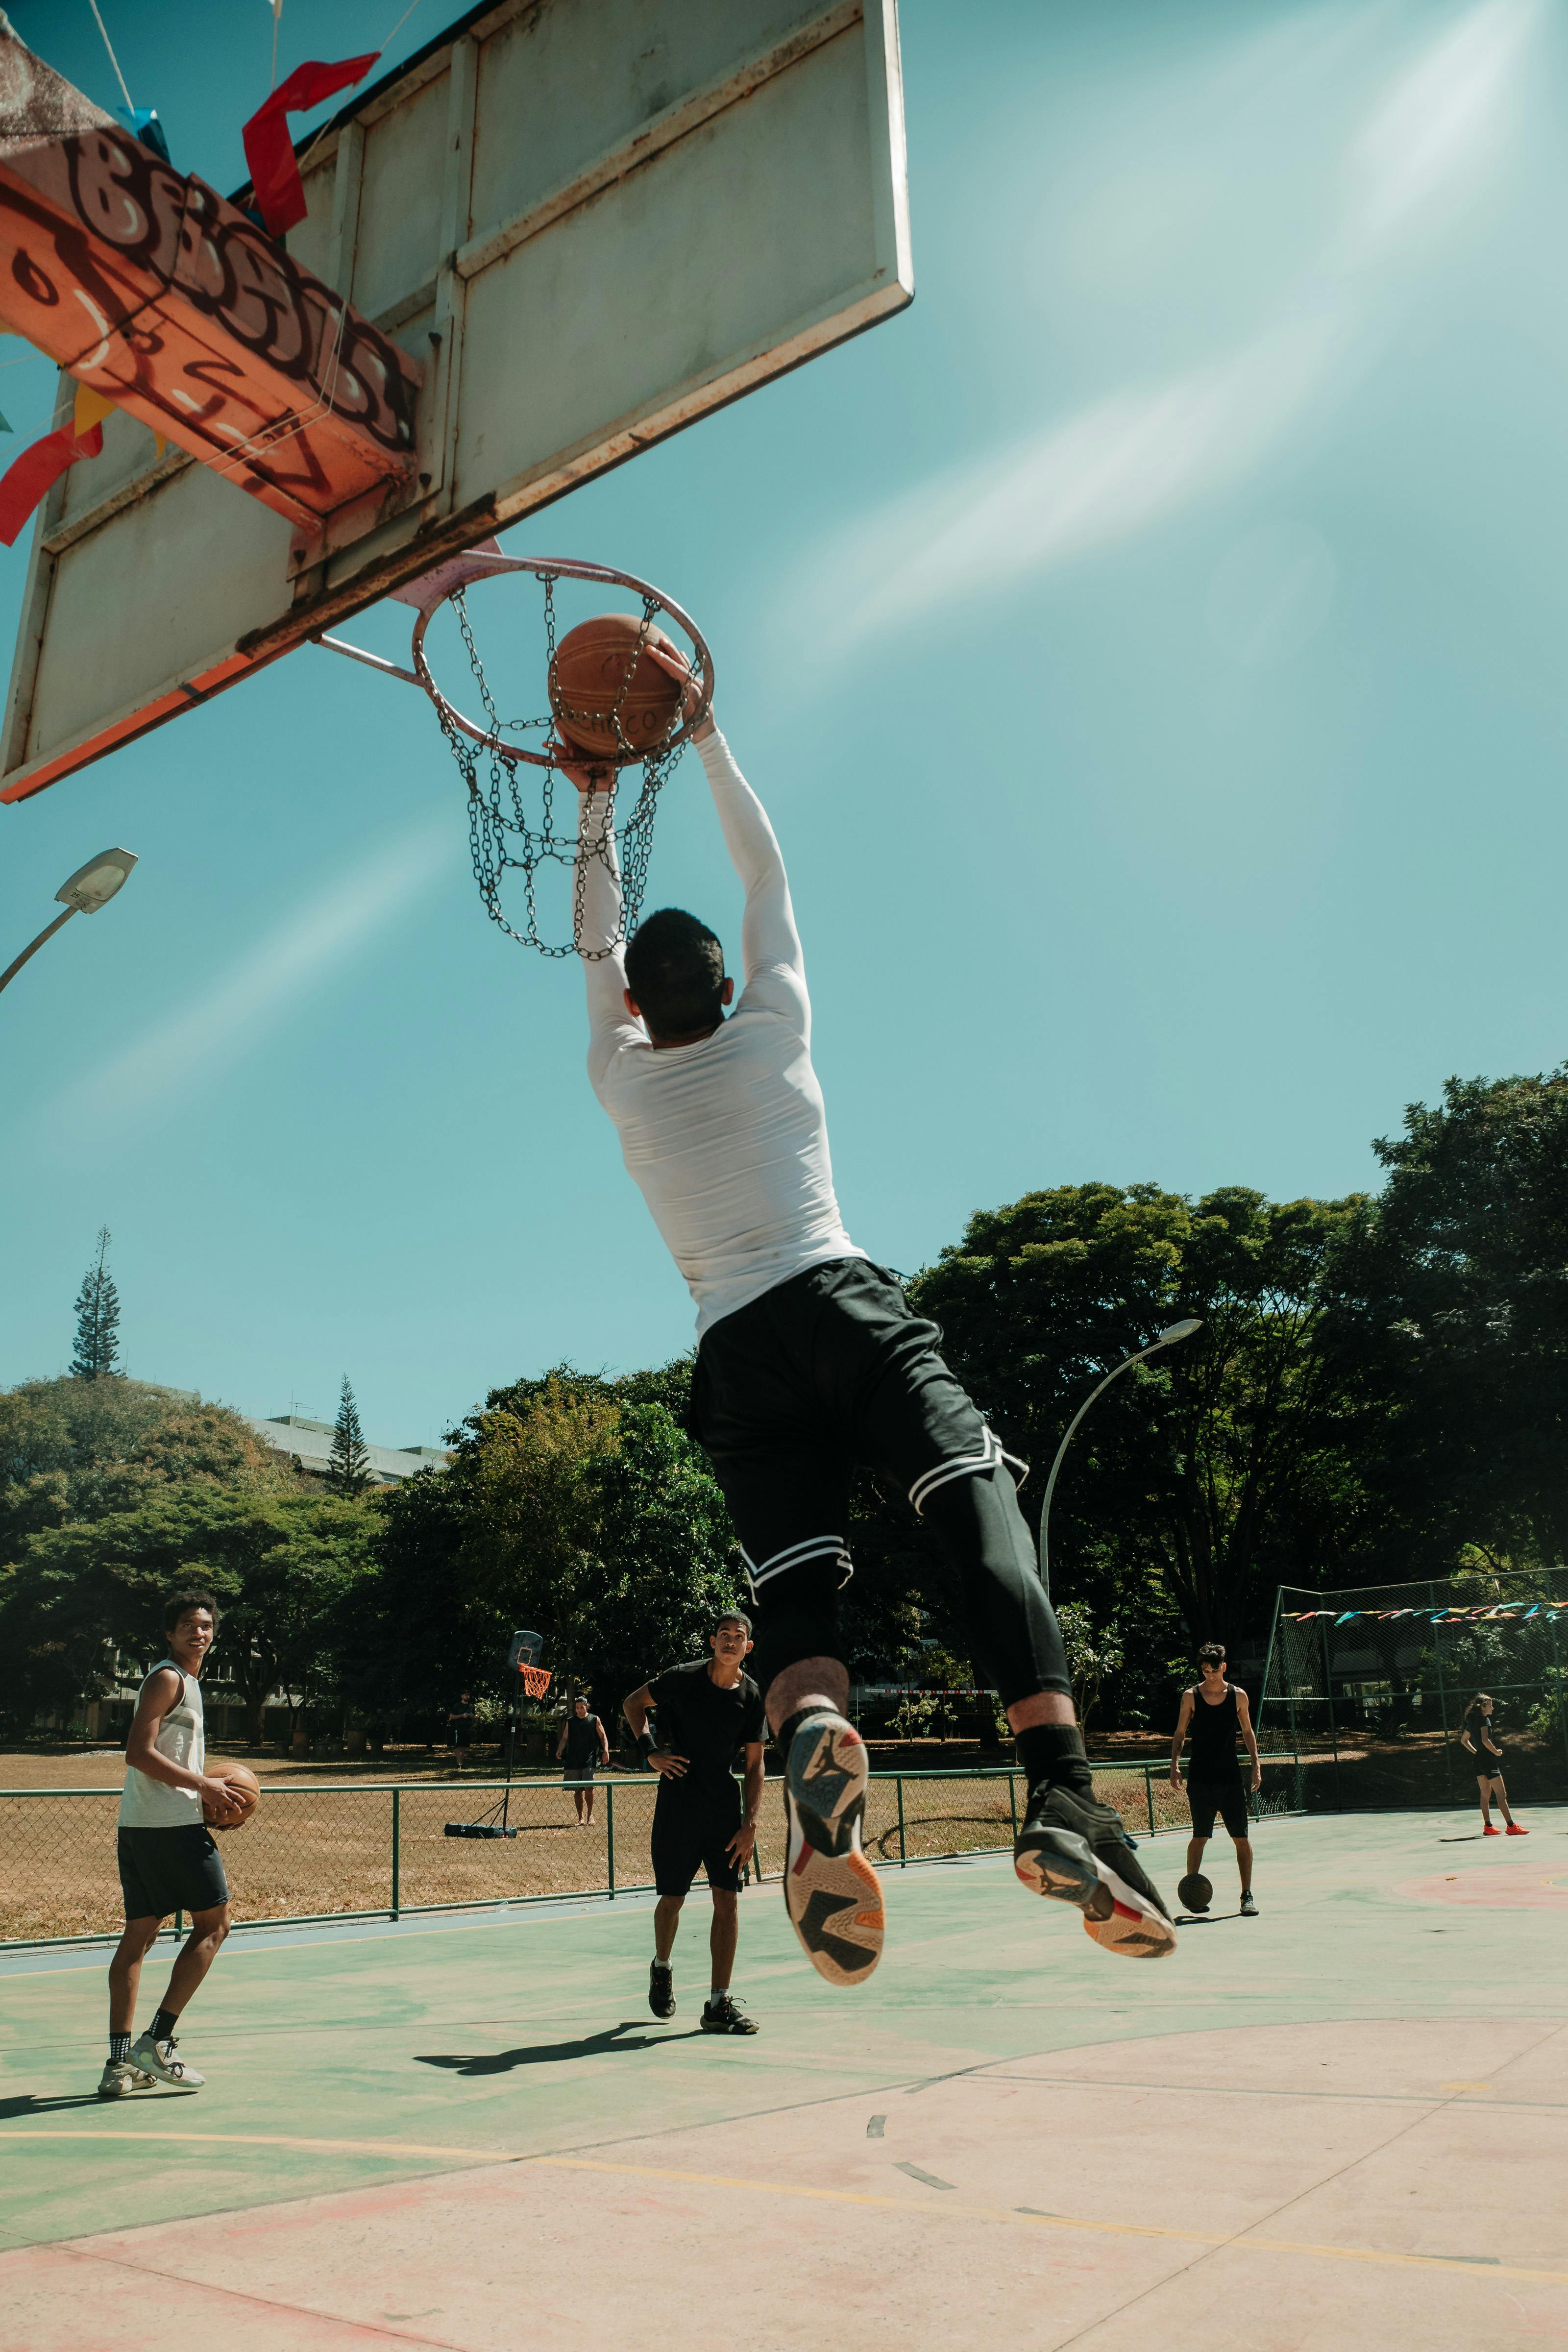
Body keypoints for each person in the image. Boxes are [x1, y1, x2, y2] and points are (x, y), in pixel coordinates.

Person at [568, 668, 1175, 1984]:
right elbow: (765, 867)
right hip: (837, 1304)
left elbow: (591, 955)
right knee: (977, 1506)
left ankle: (816, 1729)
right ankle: (1061, 1786)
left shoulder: (619, 1081)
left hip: (732, 1359)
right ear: (723, 981)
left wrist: (593, 809)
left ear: (637, 1001)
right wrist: (711, 734)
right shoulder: (773, 1023)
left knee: (799, 1596)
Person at [99, 1590, 250, 2098]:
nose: (199, 1633)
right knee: (216, 1925)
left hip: (140, 1825)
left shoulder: (190, 1681)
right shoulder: (168, 1677)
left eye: (206, 1626)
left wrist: (206, 1791)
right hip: (169, 1825)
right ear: (170, 1632)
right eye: (188, 1624)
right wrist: (204, 1786)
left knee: (139, 1937)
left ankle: (119, 2066)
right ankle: (157, 2040)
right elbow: (137, 1753)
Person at [622, 1613, 767, 2034]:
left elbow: (756, 1765)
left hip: (723, 1811)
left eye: (739, 1638)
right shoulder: (682, 1678)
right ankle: (662, 1966)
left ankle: (719, 2006)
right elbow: (633, 1704)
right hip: (679, 1804)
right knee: (673, 1899)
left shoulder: (753, 1696)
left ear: (748, 1648)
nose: (731, 1643)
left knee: (728, 1901)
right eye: (724, 1636)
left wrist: (750, 1823)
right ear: (712, 1641)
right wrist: (650, 1752)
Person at [1169, 1643, 1262, 1916]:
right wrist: (1174, 1765)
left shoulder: (1239, 1696)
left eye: (1214, 1670)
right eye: (1205, 1670)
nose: (1210, 1675)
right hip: (1200, 1779)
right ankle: (1191, 1893)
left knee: (1241, 1838)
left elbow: (1248, 1732)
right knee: (1199, 1837)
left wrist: (1256, 1764)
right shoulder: (1191, 1696)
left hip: (1230, 1778)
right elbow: (1179, 1732)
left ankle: (1246, 1895)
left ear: (1224, 1667)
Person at [1461, 1693, 1526, 1836]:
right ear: (1483, 1707)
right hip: (1488, 1761)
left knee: (1485, 1794)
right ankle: (1511, 1826)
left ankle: (1488, 1827)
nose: (1492, 1708)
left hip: (1478, 1761)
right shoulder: (1485, 1720)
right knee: (1501, 1794)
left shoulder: (1472, 1721)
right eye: (1490, 1705)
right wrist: (1495, 1752)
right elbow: (1485, 1740)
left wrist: (1477, 1753)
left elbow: (1464, 1740)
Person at [556, 1694, 610, 1823]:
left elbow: (603, 1737)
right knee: (577, 1790)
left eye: (582, 1707)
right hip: (574, 1759)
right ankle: (580, 1818)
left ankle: (590, 1816)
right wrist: (560, 1749)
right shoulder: (571, 1721)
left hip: (589, 1758)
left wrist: (606, 1751)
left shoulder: (594, 1720)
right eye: (577, 1708)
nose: (580, 1710)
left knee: (589, 1788)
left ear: (587, 1707)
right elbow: (565, 1738)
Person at [446, 1693, 474, 1773]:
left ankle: (462, 1764)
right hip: (458, 1728)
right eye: (465, 1695)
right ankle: (458, 1765)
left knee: (464, 1747)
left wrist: (472, 1717)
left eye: (469, 1695)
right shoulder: (457, 1705)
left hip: (467, 1728)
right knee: (459, 1747)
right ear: (462, 1696)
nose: (467, 1696)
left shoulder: (471, 1706)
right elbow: (451, 1717)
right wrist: (462, 1716)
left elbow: (475, 1718)